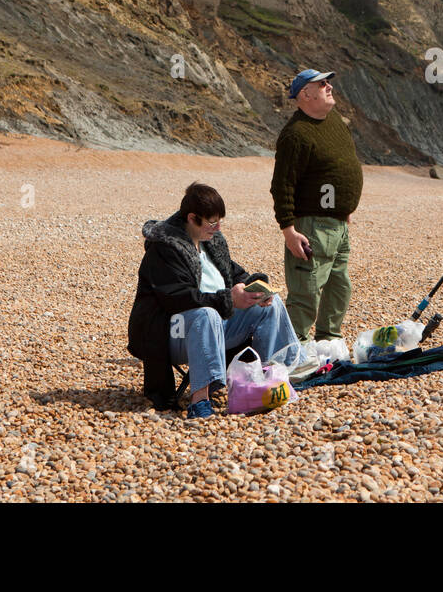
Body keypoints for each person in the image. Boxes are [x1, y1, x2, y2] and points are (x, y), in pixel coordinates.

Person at [127, 182, 300, 418]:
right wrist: (228, 299)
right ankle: (200, 401)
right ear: (192, 218)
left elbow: (234, 273)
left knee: (271, 305)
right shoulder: (165, 248)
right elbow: (177, 298)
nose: (217, 227)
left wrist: (257, 288)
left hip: (215, 324)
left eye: (220, 221)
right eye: (211, 222)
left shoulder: (212, 241)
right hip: (170, 333)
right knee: (205, 312)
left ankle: (267, 379)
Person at [270, 68, 363, 343]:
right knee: (307, 291)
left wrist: (342, 211)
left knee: (338, 288)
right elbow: (282, 185)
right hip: (312, 225)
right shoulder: (295, 134)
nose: (329, 87)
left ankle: (328, 343)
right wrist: (289, 231)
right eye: (322, 84)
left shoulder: (334, 121)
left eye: (328, 82)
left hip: (338, 224)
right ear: (305, 94)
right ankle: (293, 348)